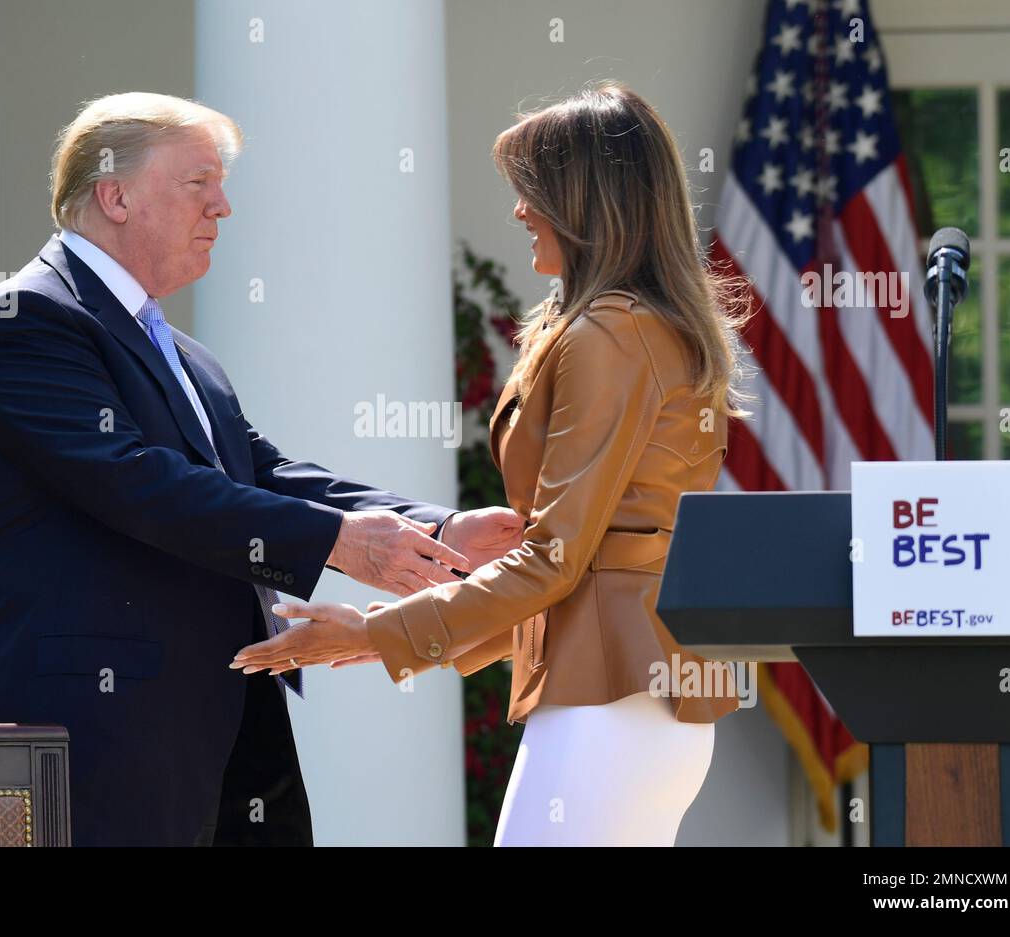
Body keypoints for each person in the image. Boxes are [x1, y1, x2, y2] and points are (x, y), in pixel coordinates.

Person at [0, 92, 523, 846]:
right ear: (115, 194)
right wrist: (339, 540)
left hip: (212, 742)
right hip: (77, 738)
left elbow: (259, 472)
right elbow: (136, 482)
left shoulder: (184, 353)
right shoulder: (28, 321)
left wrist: (435, 527)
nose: (223, 207)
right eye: (198, 183)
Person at [233, 81, 753, 846]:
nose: (518, 209)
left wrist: (375, 634)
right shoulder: (648, 327)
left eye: (531, 189)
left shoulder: (608, 333)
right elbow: (591, 567)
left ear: (585, 200)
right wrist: (385, 631)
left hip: (606, 714)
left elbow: (554, 562)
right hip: (646, 709)